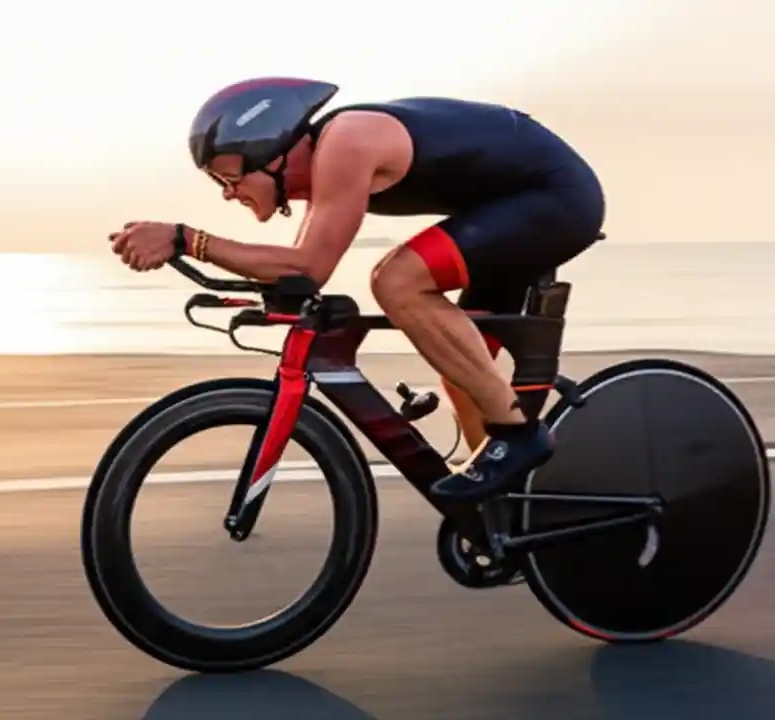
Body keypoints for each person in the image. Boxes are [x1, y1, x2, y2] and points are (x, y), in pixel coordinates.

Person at [109, 77, 605, 502]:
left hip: (555, 199)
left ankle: (518, 436)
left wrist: (185, 238)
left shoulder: (347, 141)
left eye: (227, 173)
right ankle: (510, 509)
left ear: (269, 150)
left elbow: (308, 266)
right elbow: (296, 272)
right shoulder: (328, 170)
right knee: (463, 371)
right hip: (509, 211)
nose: (225, 191)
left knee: (397, 280)